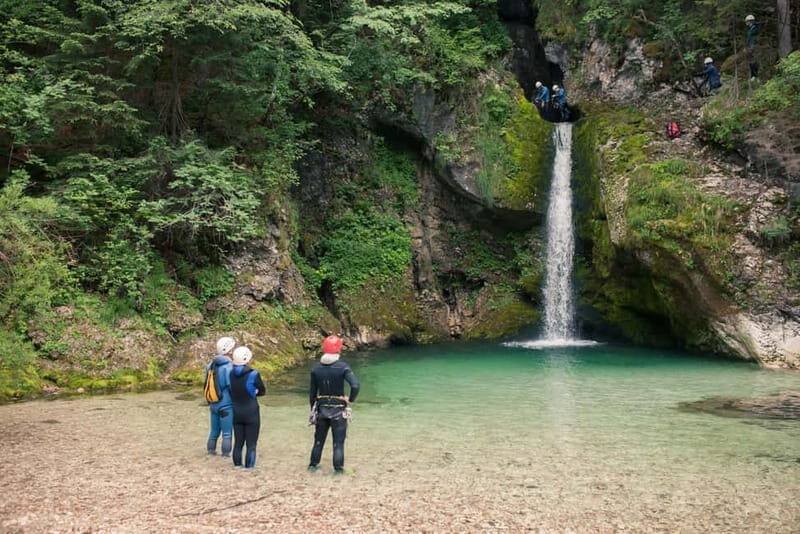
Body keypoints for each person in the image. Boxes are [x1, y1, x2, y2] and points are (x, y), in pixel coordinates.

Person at [308, 335, 360, 475]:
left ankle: (313, 466)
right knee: (338, 443)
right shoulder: (343, 367)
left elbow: (312, 394)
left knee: (318, 441)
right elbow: (355, 385)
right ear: (338, 349)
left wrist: (313, 410)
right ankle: (338, 470)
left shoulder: (316, 368)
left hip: (321, 408)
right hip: (338, 409)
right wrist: (350, 399)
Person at [229, 346, 265, 469]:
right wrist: (255, 392)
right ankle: (249, 469)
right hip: (251, 412)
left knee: (238, 443)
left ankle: (237, 466)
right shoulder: (254, 374)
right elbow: (262, 391)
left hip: (236, 411)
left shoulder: (230, 373)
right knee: (251, 444)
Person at [206, 337, 235, 457]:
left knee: (214, 431)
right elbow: (231, 386)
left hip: (213, 403)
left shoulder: (210, 365)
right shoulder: (229, 367)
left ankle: (210, 451)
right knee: (227, 433)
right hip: (226, 404)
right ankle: (225, 454)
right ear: (230, 350)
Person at [745, 14, 759, 80]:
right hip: (750, 46)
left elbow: (754, 38)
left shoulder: (755, 29)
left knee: (754, 61)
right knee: (750, 61)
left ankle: (755, 75)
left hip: (753, 46)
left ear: (750, 21)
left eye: (747, 21)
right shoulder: (749, 29)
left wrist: (752, 47)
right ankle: (752, 75)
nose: (746, 23)